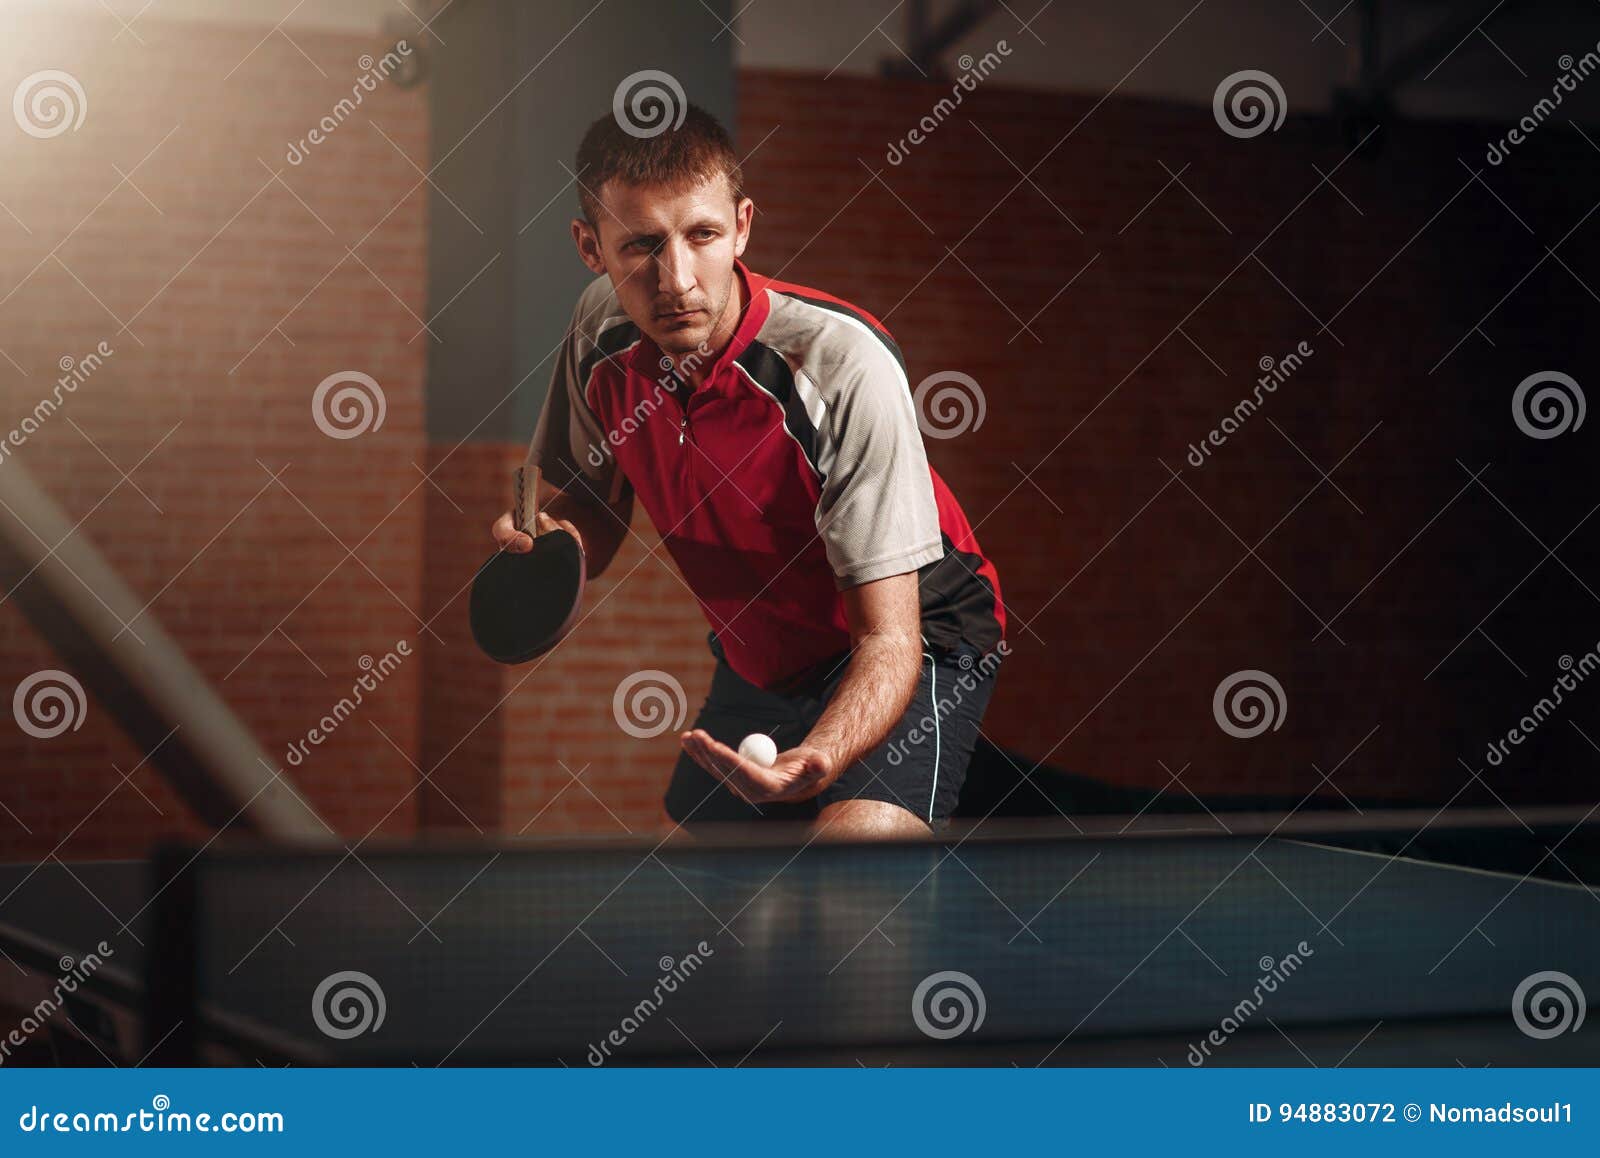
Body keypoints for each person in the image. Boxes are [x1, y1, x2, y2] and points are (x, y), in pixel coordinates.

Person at [493, 104, 1005, 839]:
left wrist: (820, 755)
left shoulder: (840, 366)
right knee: (720, 899)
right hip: (764, 650)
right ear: (589, 246)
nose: (676, 279)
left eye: (701, 235)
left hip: (918, 636)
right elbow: (593, 513)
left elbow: (889, 639)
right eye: (640, 244)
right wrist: (549, 537)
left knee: (850, 866)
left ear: (741, 226)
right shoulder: (598, 331)